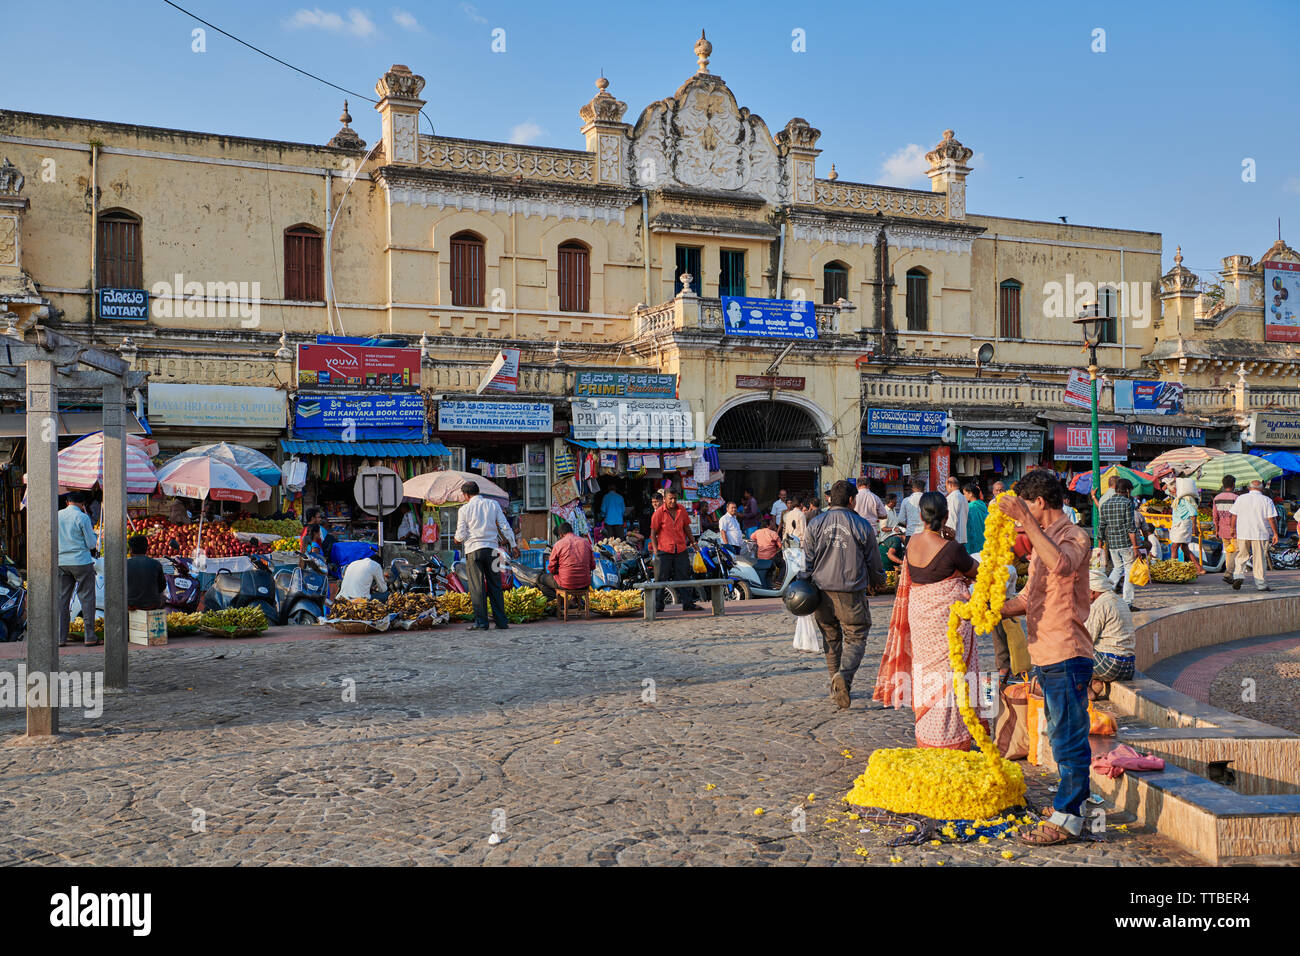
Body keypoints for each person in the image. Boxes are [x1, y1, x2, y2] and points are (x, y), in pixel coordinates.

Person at [998, 470, 1094, 846]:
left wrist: (1025, 523)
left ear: (1038, 503)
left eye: (1026, 507)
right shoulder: (1041, 542)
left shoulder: (1073, 535)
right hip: (1046, 652)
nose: (1022, 519)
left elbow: (1062, 565)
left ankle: (1068, 816)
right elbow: (1027, 598)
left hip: (1067, 652)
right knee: (1059, 735)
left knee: (1069, 738)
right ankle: (1072, 806)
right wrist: (991, 610)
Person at [872, 491, 981, 745]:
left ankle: (927, 734)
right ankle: (952, 738)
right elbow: (975, 571)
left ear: (920, 516)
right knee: (952, 676)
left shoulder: (912, 544)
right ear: (946, 517)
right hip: (947, 623)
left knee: (927, 676)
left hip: (921, 620)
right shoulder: (952, 549)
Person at [807, 480, 886, 709]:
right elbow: (873, 561)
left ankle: (836, 683)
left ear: (830, 498)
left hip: (820, 591)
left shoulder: (815, 523)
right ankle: (844, 678)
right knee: (856, 636)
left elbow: (807, 561)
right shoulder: (861, 525)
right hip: (850, 592)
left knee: (831, 638)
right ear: (852, 500)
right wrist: (878, 581)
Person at [454, 481, 518, 630]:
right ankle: (501, 622)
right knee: (496, 585)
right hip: (492, 550)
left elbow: (461, 534)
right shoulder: (493, 504)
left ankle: (482, 623)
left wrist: (457, 539)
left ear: (466, 495)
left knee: (477, 588)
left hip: (473, 551)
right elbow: (504, 526)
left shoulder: (464, 509)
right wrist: (513, 545)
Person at [58, 490, 100, 648]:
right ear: (83, 504)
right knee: (87, 599)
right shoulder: (83, 517)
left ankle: (60, 638)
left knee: (62, 600)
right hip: (81, 561)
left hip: (61, 562)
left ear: (67, 502)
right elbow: (90, 544)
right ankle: (89, 636)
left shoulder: (56, 516)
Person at [1087, 567, 1136, 695]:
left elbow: (1086, 639)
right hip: (1129, 667)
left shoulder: (1099, 605)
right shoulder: (1120, 600)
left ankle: (1082, 690)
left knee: (1069, 654)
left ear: (1092, 591)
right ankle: (1095, 685)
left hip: (1111, 665)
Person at [650, 489, 699, 612]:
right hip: (664, 550)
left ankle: (688, 603)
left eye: (675, 498)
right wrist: (656, 551)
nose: (673, 501)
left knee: (684, 576)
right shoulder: (659, 513)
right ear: (665, 499)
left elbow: (686, 527)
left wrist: (693, 543)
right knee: (661, 578)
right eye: (670, 498)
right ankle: (658, 605)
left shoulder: (681, 509)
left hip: (681, 549)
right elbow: (653, 533)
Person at [1229, 479, 1279, 592]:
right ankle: (1261, 584)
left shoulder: (1241, 498)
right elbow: (1271, 518)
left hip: (1243, 532)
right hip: (1260, 533)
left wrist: (1232, 529)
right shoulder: (1267, 500)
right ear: (1262, 488)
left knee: (1241, 555)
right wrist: (1275, 533)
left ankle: (1238, 576)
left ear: (1249, 488)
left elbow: (1233, 515)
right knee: (1259, 559)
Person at [1098, 478, 1140, 610]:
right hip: (1126, 543)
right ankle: (1127, 602)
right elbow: (1130, 527)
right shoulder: (1127, 503)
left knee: (1117, 568)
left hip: (1112, 544)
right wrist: (1136, 546)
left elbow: (1101, 526)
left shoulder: (1105, 504)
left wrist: (1100, 546)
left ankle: (1103, 595)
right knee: (1128, 571)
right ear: (1127, 490)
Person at [547, 521, 596, 591]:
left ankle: (560, 600)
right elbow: (593, 566)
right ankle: (572, 600)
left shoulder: (558, 544)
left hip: (566, 583)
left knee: (540, 579)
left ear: (560, 535)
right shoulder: (585, 542)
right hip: (585, 583)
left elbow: (551, 568)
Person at [126, 533, 166, 611]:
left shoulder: (124, 565)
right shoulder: (156, 564)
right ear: (147, 548)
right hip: (152, 606)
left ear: (130, 550)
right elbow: (162, 587)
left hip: (130, 606)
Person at [1169, 485, 1203, 571]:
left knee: (1174, 547)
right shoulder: (1178, 498)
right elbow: (1164, 488)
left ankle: (1174, 569)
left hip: (1183, 524)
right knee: (1184, 548)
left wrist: (1194, 527)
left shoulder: (1186, 499)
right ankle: (1199, 568)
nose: (1171, 491)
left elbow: (1193, 513)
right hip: (1179, 524)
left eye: (1173, 490)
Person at [1213, 475, 1239, 585]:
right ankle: (1229, 573)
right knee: (1235, 551)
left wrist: (1217, 530)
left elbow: (1215, 516)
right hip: (1235, 530)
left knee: (1229, 552)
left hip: (1222, 530)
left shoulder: (1217, 498)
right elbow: (1238, 515)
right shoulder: (1236, 498)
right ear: (1233, 484)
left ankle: (1230, 573)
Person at [945, 475, 969, 546]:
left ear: (950, 485)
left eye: (946, 487)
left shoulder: (952, 497)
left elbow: (951, 518)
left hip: (954, 538)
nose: (946, 489)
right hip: (962, 537)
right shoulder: (963, 497)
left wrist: (948, 537)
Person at [964, 483, 988, 555]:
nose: (964, 496)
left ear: (970, 494)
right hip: (985, 538)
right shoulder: (982, 504)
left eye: (965, 493)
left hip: (975, 540)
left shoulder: (970, 507)